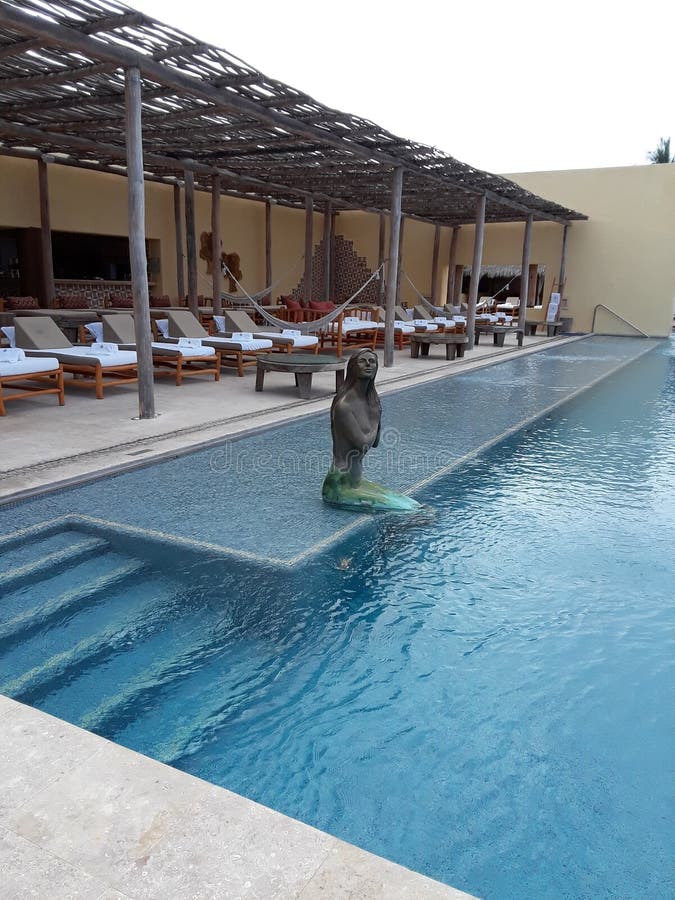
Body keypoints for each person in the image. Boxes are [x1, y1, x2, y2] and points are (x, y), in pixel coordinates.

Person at [329, 348, 381, 486]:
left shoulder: (371, 401)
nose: (368, 365)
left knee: (412, 505)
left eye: (372, 361)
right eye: (362, 361)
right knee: (409, 507)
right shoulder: (344, 406)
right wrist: (376, 418)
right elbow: (363, 445)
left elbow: (375, 443)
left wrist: (377, 412)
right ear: (353, 368)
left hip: (355, 480)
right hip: (340, 482)